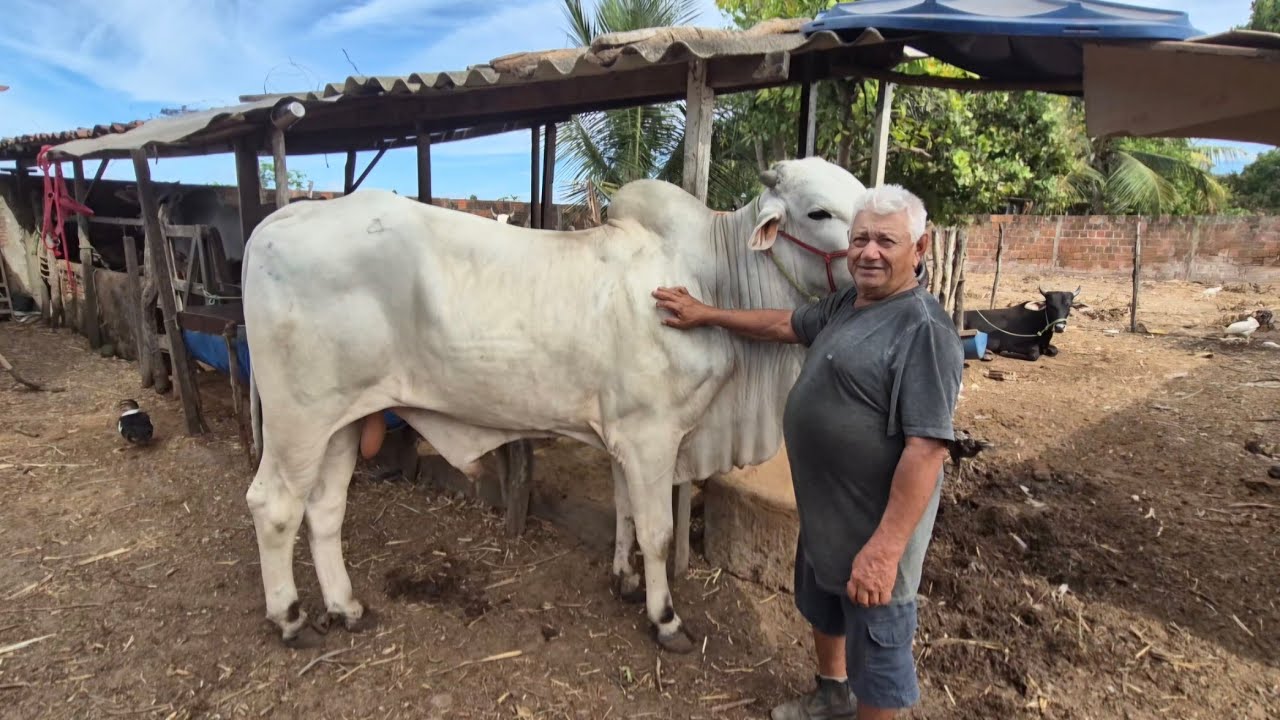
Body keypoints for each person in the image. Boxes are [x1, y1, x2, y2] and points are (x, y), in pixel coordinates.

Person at [652, 185, 963, 720]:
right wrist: (707, 314)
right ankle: (831, 694)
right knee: (826, 609)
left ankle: (854, 700)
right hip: (827, 517)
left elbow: (927, 449)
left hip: (873, 528)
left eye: (886, 241)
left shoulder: (923, 330)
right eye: (860, 238)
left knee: (879, 653)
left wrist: (885, 551)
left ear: (921, 248)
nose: (868, 252)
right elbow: (785, 325)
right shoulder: (851, 302)